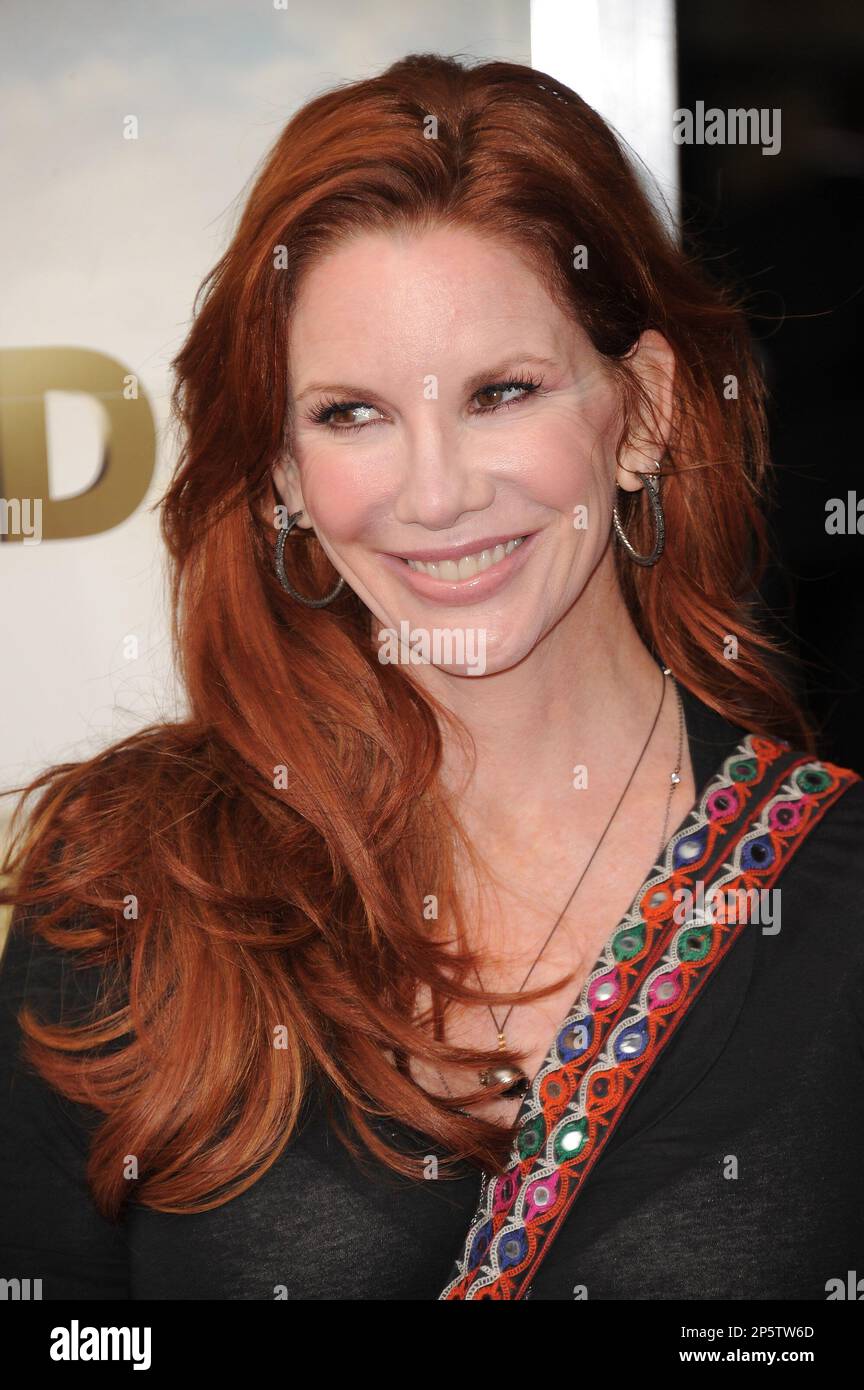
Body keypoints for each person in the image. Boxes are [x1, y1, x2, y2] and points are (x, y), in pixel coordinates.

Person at [1, 53, 862, 1302]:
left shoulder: (838, 913)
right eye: (350, 414)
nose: (437, 492)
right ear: (283, 473)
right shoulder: (129, 887)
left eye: (501, 393)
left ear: (647, 412)